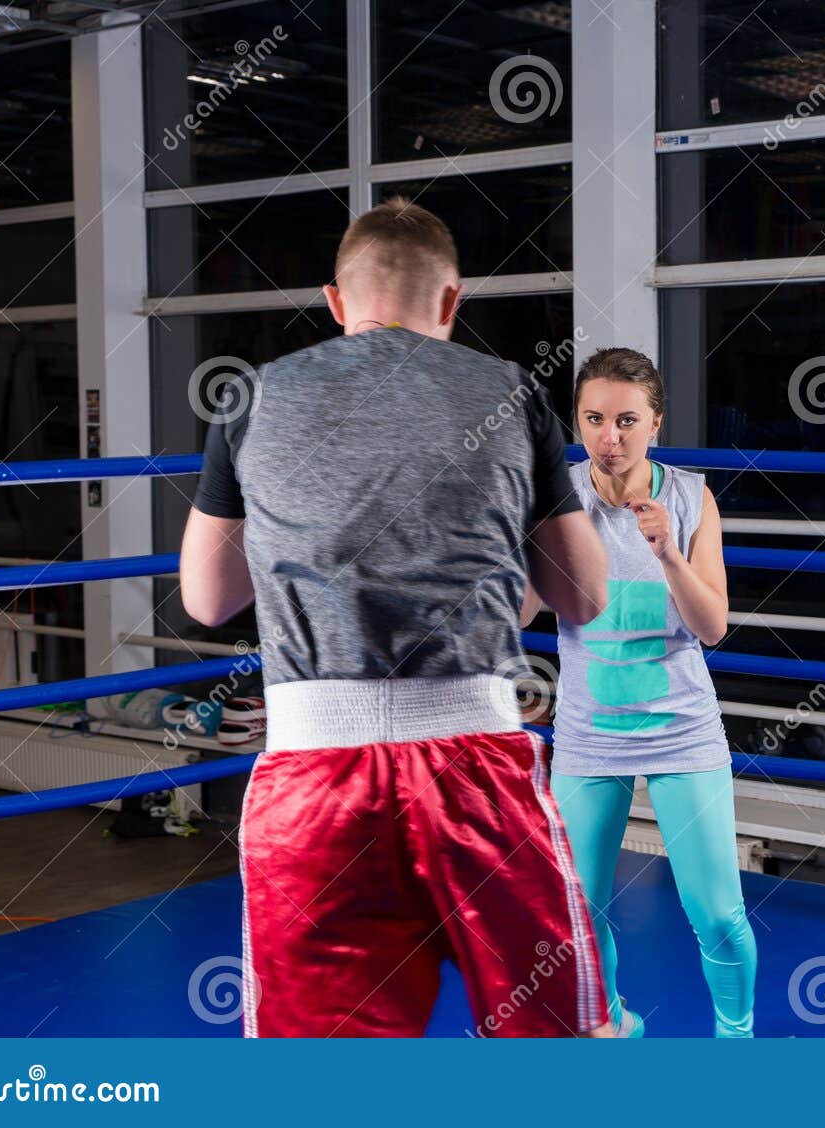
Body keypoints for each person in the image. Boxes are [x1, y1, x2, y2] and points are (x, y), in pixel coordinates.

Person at [179, 197, 614, 1038]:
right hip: (475, 764)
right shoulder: (507, 391)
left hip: (312, 773)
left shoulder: (255, 398)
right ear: (452, 302)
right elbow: (585, 596)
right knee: (554, 1041)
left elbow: (207, 599)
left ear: (335, 302)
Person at [522, 347, 757, 1038]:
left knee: (717, 911)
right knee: (577, 911)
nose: (610, 436)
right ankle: (612, 1021)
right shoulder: (558, 497)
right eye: (594, 418)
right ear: (578, 421)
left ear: (655, 421)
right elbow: (523, 613)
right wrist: (527, 538)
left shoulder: (691, 496)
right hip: (590, 734)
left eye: (627, 419)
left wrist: (668, 554)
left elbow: (712, 627)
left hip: (683, 729)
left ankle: (735, 1038)